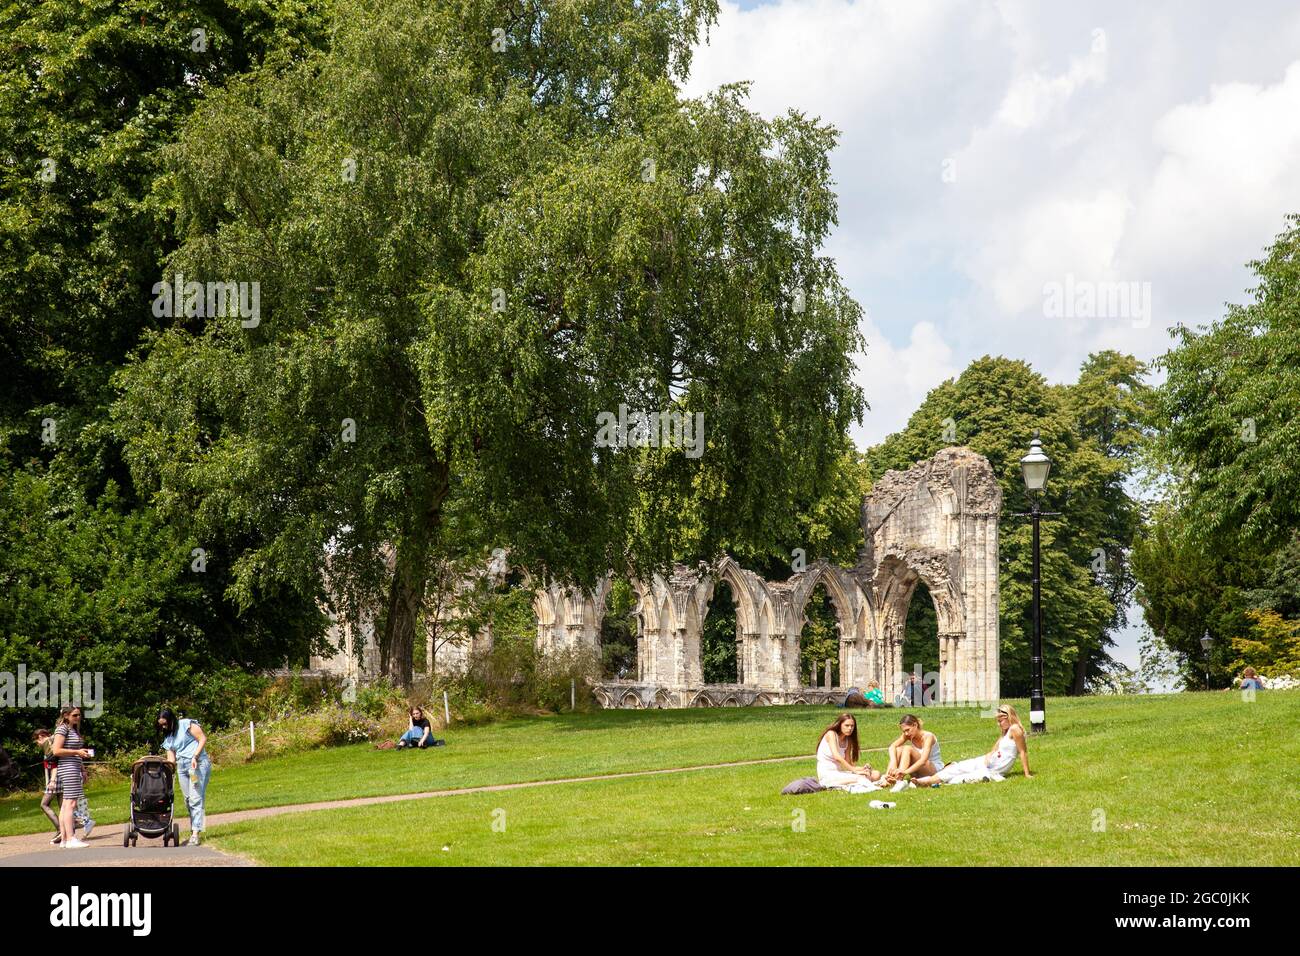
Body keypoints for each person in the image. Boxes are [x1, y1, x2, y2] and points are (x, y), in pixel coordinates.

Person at [916, 704, 1031, 786]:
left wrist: (1027, 774)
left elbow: (1023, 752)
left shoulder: (1015, 730)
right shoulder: (1006, 731)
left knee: (960, 778)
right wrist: (988, 756)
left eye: (1000, 721)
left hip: (995, 769)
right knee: (959, 767)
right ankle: (928, 780)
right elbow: (995, 749)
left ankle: (927, 781)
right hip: (987, 762)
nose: (998, 724)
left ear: (1008, 717)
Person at [158, 708, 210, 846]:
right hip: (182, 767)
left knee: (196, 799)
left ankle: (195, 834)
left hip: (196, 765)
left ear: (171, 720)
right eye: (161, 724)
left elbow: (202, 738)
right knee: (188, 800)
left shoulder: (186, 724)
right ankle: (197, 827)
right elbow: (171, 760)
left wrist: (195, 756)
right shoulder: (168, 737)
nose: (163, 727)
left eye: (165, 723)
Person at [34, 728, 95, 845]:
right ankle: (71, 830)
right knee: (65, 805)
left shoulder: (49, 743)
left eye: (37, 741)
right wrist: (83, 770)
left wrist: (52, 780)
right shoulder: (57, 739)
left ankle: (66, 830)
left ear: (41, 736)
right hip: (65, 773)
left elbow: (55, 763)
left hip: (58, 776)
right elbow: (74, 754)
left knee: (46, 804)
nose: (37, 744)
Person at [51, 705, 91, 848]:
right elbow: (56, 750)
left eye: (79, 715)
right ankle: (70, 839)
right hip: (68, 768)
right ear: (66, 715)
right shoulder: (63, 729)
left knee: (66, 805)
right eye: (75, 715)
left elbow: (76, 752)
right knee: (70, 804)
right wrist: (77, 752)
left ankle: (64, 840)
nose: (78, 717)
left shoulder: (73, 729)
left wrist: (83, 769)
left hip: (74, 767)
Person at [881, 714, 943, 791]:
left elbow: (923, 761)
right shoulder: (908, 735)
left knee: (907, 748)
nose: (906, 733)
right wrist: (894, 762)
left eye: (908, 730)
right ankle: (887, 778)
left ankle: (898, 780)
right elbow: (892, 747)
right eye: (904, 731)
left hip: (934, 770)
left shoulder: (928, 736)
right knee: (898, 750)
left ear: (915, 725)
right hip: (918, 770)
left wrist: (904, 772)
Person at [815, 713, 876, 790]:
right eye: (847, 725)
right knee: (861, 778)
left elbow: (848, 763)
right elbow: (836, 756)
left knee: (875, 774)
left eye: (852, 726)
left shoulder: (848, 740)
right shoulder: (831, 734)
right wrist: (855, 771)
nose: (850, 728)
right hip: (827, 774)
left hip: (839, 773)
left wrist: (863, 768)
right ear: (840, 725)